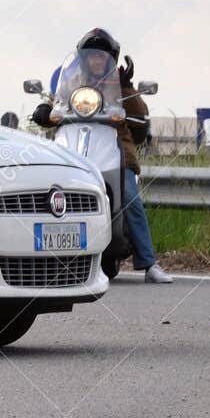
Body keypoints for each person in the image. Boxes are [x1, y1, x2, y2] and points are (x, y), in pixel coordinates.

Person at [32, 28, 172, 283]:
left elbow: (140, 113)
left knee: (130, 197)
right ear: (85, 59)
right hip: (74, 144)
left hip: (115, 149)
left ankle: (149, 263)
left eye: (102, 56)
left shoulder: (119, 83)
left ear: (110, 59)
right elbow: (56, 104)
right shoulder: (73, 81)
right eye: (93, 56)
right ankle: (37, 256)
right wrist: (43, 109)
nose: (97, 60)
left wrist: (128, 84)